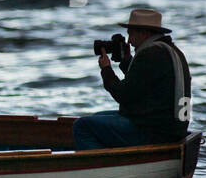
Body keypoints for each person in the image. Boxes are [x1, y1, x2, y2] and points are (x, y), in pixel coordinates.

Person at [72, 8, 192, 150]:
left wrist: (106, 69)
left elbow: (123, 95)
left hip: (155, 132)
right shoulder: (170, 50)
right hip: (171, 128)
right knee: (97, 116)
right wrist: (127, 60)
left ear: (144, 33)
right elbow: (143, 82)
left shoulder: (150, 54)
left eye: (131, 34)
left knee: (82, 126)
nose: (129, 41)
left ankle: (99, 166)